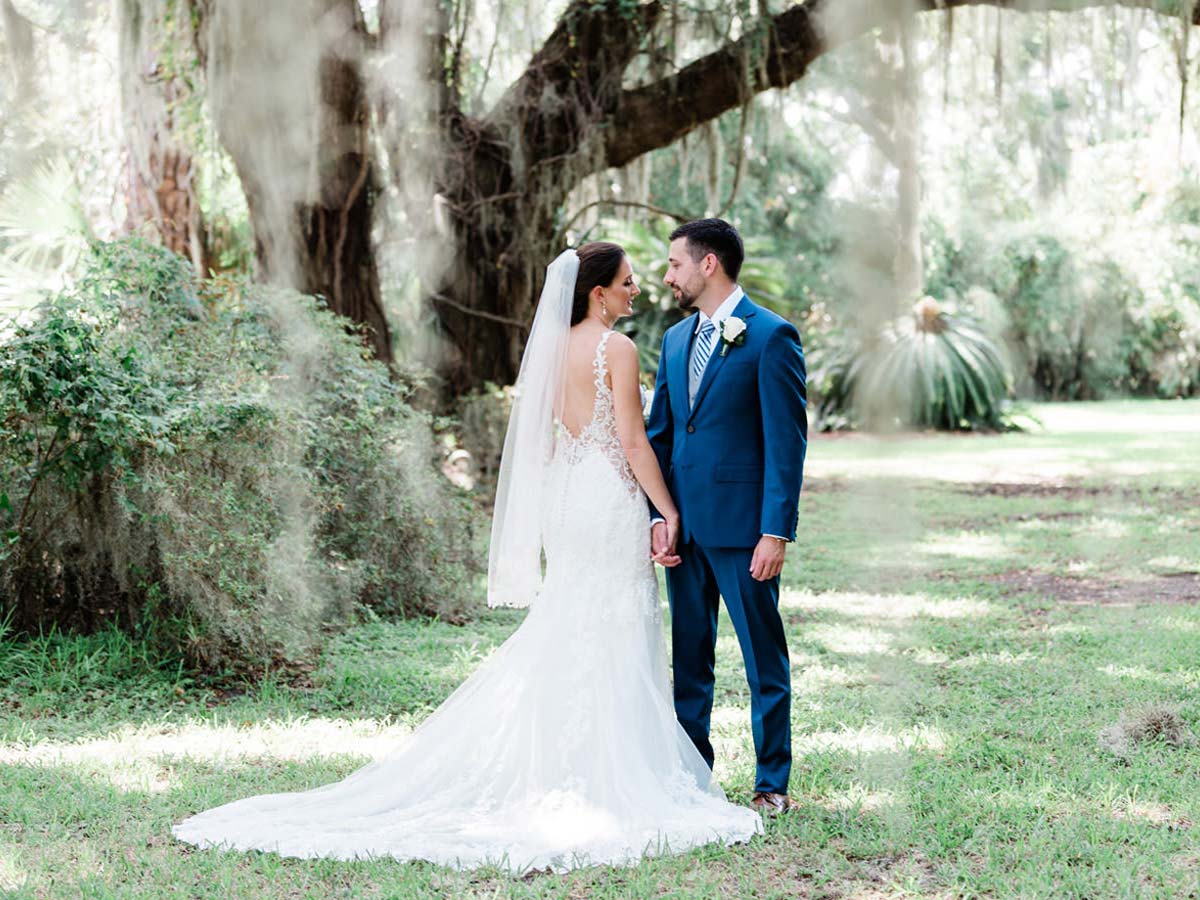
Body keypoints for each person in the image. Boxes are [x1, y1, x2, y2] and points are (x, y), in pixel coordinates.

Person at [171, 242, 762, 873]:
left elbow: (550, 440)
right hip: (608, 497)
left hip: (567, 498)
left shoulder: (550, 351)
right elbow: (631, 439)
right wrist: (665, 510)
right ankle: (605, 770)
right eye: (626, 282)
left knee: (572, 618)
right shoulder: (615, 349)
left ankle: (560, 763)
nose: (636, 291)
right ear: (597, 293)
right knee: (613, 618)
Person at [646, 219, 808, 816]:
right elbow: (662, 433)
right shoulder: (672, 341)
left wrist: (775, 530)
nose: (668, 277)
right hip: (684, 531)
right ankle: (693, 777)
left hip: (745, 532)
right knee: (690, 660)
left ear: (708, 264)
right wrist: (658, 517)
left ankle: (772, 784)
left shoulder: (771, 337)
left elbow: (786, 445)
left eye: (675, 266)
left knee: (764, 657)